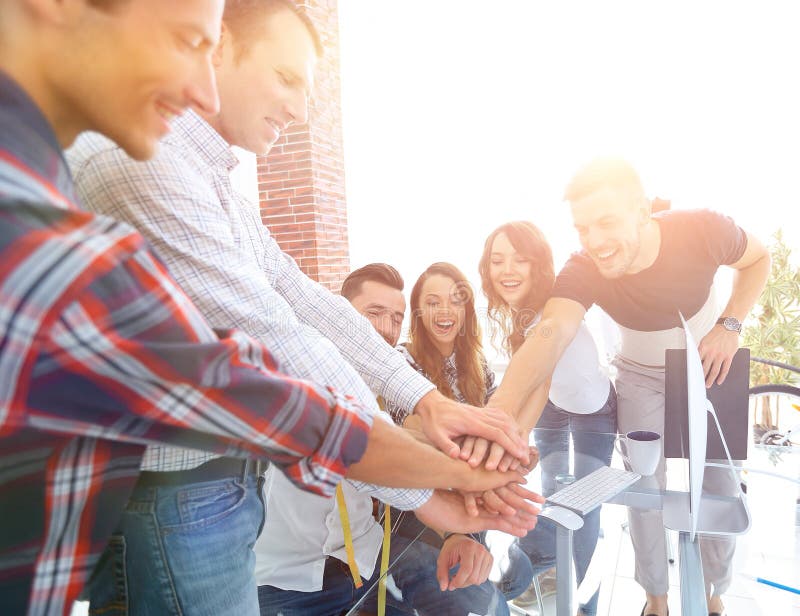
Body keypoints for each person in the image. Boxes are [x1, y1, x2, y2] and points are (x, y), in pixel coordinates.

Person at [66, 3, 535, 615]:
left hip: (204, 488)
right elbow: (286, 343)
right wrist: (437, 487)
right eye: (286, 77)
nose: (299, 109)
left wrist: (429, 402)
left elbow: (303, 298)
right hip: (169, 496)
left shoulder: (210, 179)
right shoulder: (143, 160)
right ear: (218, 43)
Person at [487, 158, 771, 616]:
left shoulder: (703, 228)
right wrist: (499, 408)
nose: (595, 241)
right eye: (583, 228)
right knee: (643, 488)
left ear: (641, 210)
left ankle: (716, 594)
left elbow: (758, 259)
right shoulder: (585, 267)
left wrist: (731, 325)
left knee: (721, 486)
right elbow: (552, 329)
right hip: (639, 374)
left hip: (711, 364)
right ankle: (655, 598)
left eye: (606, 222)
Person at [381, 262, 536, 615]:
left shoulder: (477, 365)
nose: (445, 311)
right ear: (419, 313)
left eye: (455, 301)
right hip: (420, 508)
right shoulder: (401, 361)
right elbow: (413, 432)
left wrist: (515, 452)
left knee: (517, 571)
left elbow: (502, 430)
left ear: (467, 310)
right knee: (478, 597)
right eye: (433, 302)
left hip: (474, 499)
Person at [479, 221, 618, 616]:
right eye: (497, 260)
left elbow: (535, 387)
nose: (507, 270)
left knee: (582, 512)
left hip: (594, 410)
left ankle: (583, 605)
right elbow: (537, 386)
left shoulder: (550, 312)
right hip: (557, 405)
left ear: (538, 265)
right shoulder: (521, 310)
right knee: (553, 495)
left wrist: (508, 438)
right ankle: (546, 570)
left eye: (520, 260)